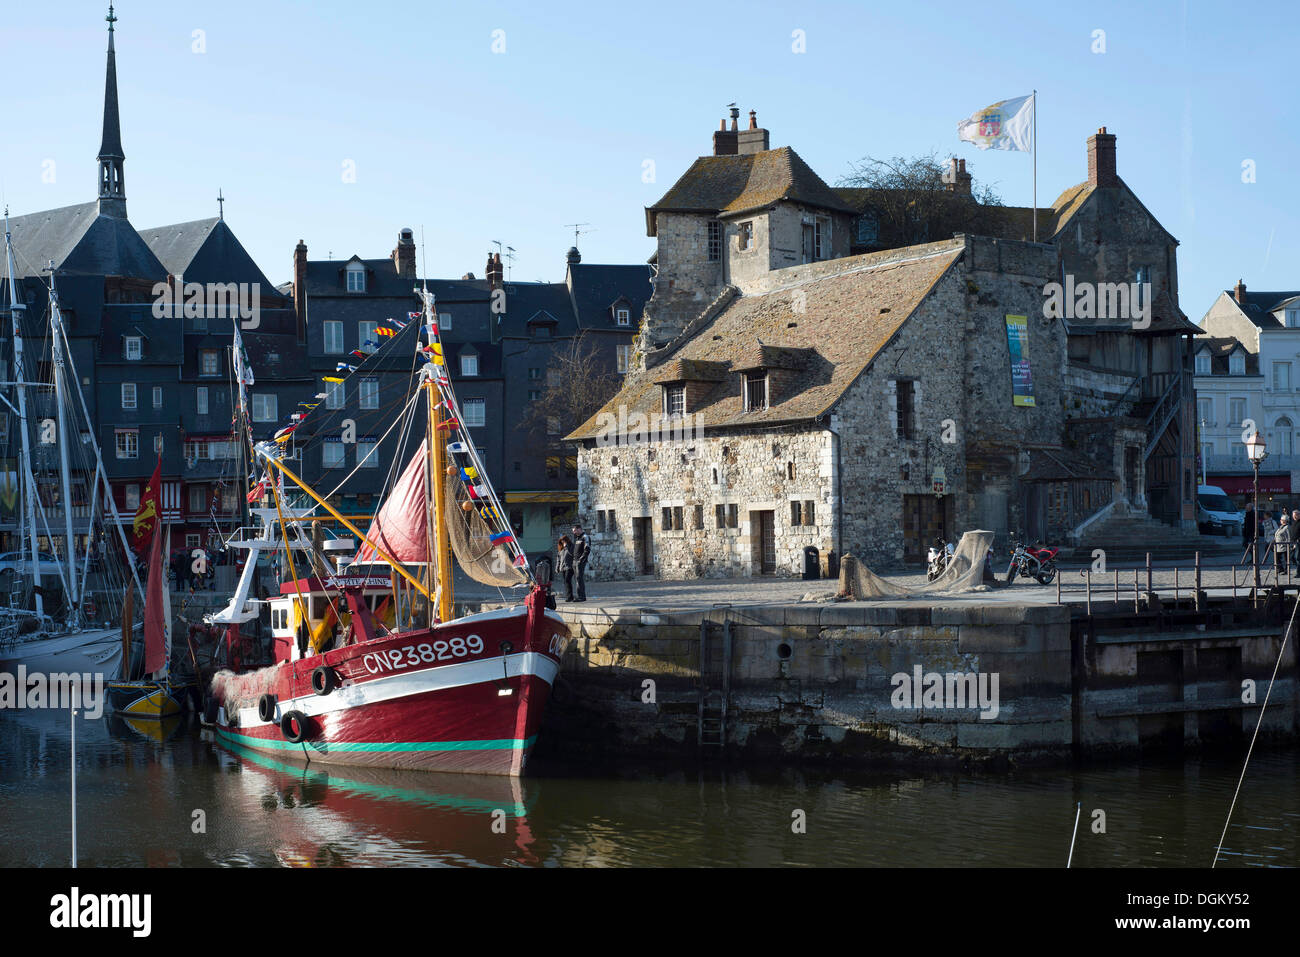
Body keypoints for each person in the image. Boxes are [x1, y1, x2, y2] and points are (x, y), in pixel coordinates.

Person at [571, 524, 590, 602]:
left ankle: (581, 597)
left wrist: (580, 560)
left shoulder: (585, 537)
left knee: (579, 578)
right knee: (576, 579)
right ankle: (579, 595)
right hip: (574, 561)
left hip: (580, 561)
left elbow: (587, 549)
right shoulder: (577, 538)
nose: (574, 533)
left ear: (579, 529)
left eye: (575, 531)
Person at [555, 535, 574, 601]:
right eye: (562, 542)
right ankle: (569, 596)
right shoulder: (561, 550)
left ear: (567, 540)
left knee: (567, 581)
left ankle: (569, 597)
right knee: (566, 582)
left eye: (564, 541)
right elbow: (558, 559)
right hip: (562, 568)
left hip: (569, 567)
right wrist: (557, 568)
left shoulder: (571, 546)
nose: (563, 543)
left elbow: (572, 554)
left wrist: (567, 547)